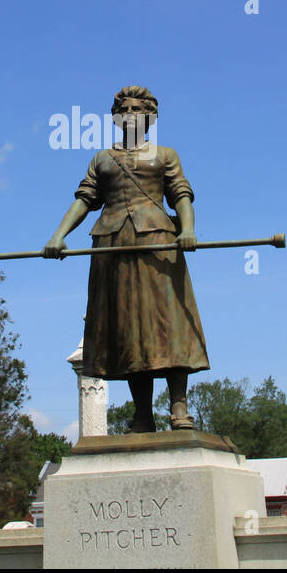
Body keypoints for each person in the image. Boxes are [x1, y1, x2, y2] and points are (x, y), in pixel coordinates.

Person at [44, 86, 208, 432]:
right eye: (125, 109)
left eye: (137, 109)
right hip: (112, 246)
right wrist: (59, 235)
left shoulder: (165, 155)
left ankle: (179, 408)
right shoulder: (102, 159)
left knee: (169, 325)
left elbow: (181, 194)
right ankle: (142, 414)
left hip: (159, 244)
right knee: (130, 327)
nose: (130, 114)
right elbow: (85, 199)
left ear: (149, 116)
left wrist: (188, 230)